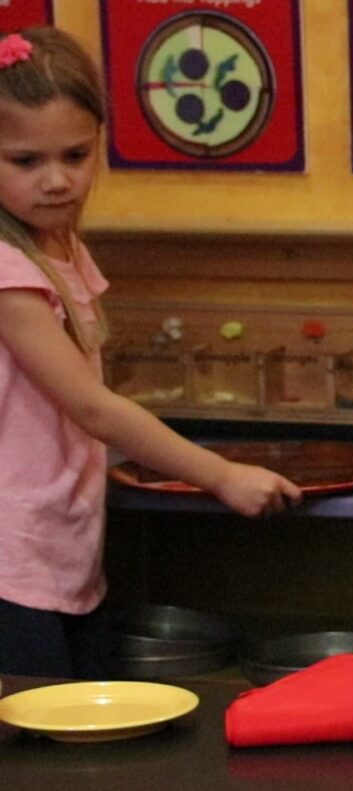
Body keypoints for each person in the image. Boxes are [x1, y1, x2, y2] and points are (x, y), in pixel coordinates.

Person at [0, 28, 301, 680]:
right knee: (33, 734)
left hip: (56, 549)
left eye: (76, 155)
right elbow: (91, 407)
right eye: (25, 161)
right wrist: (219, 475)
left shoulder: (56, 245)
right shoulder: (8, 271)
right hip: (11, 562)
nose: (57, 180)